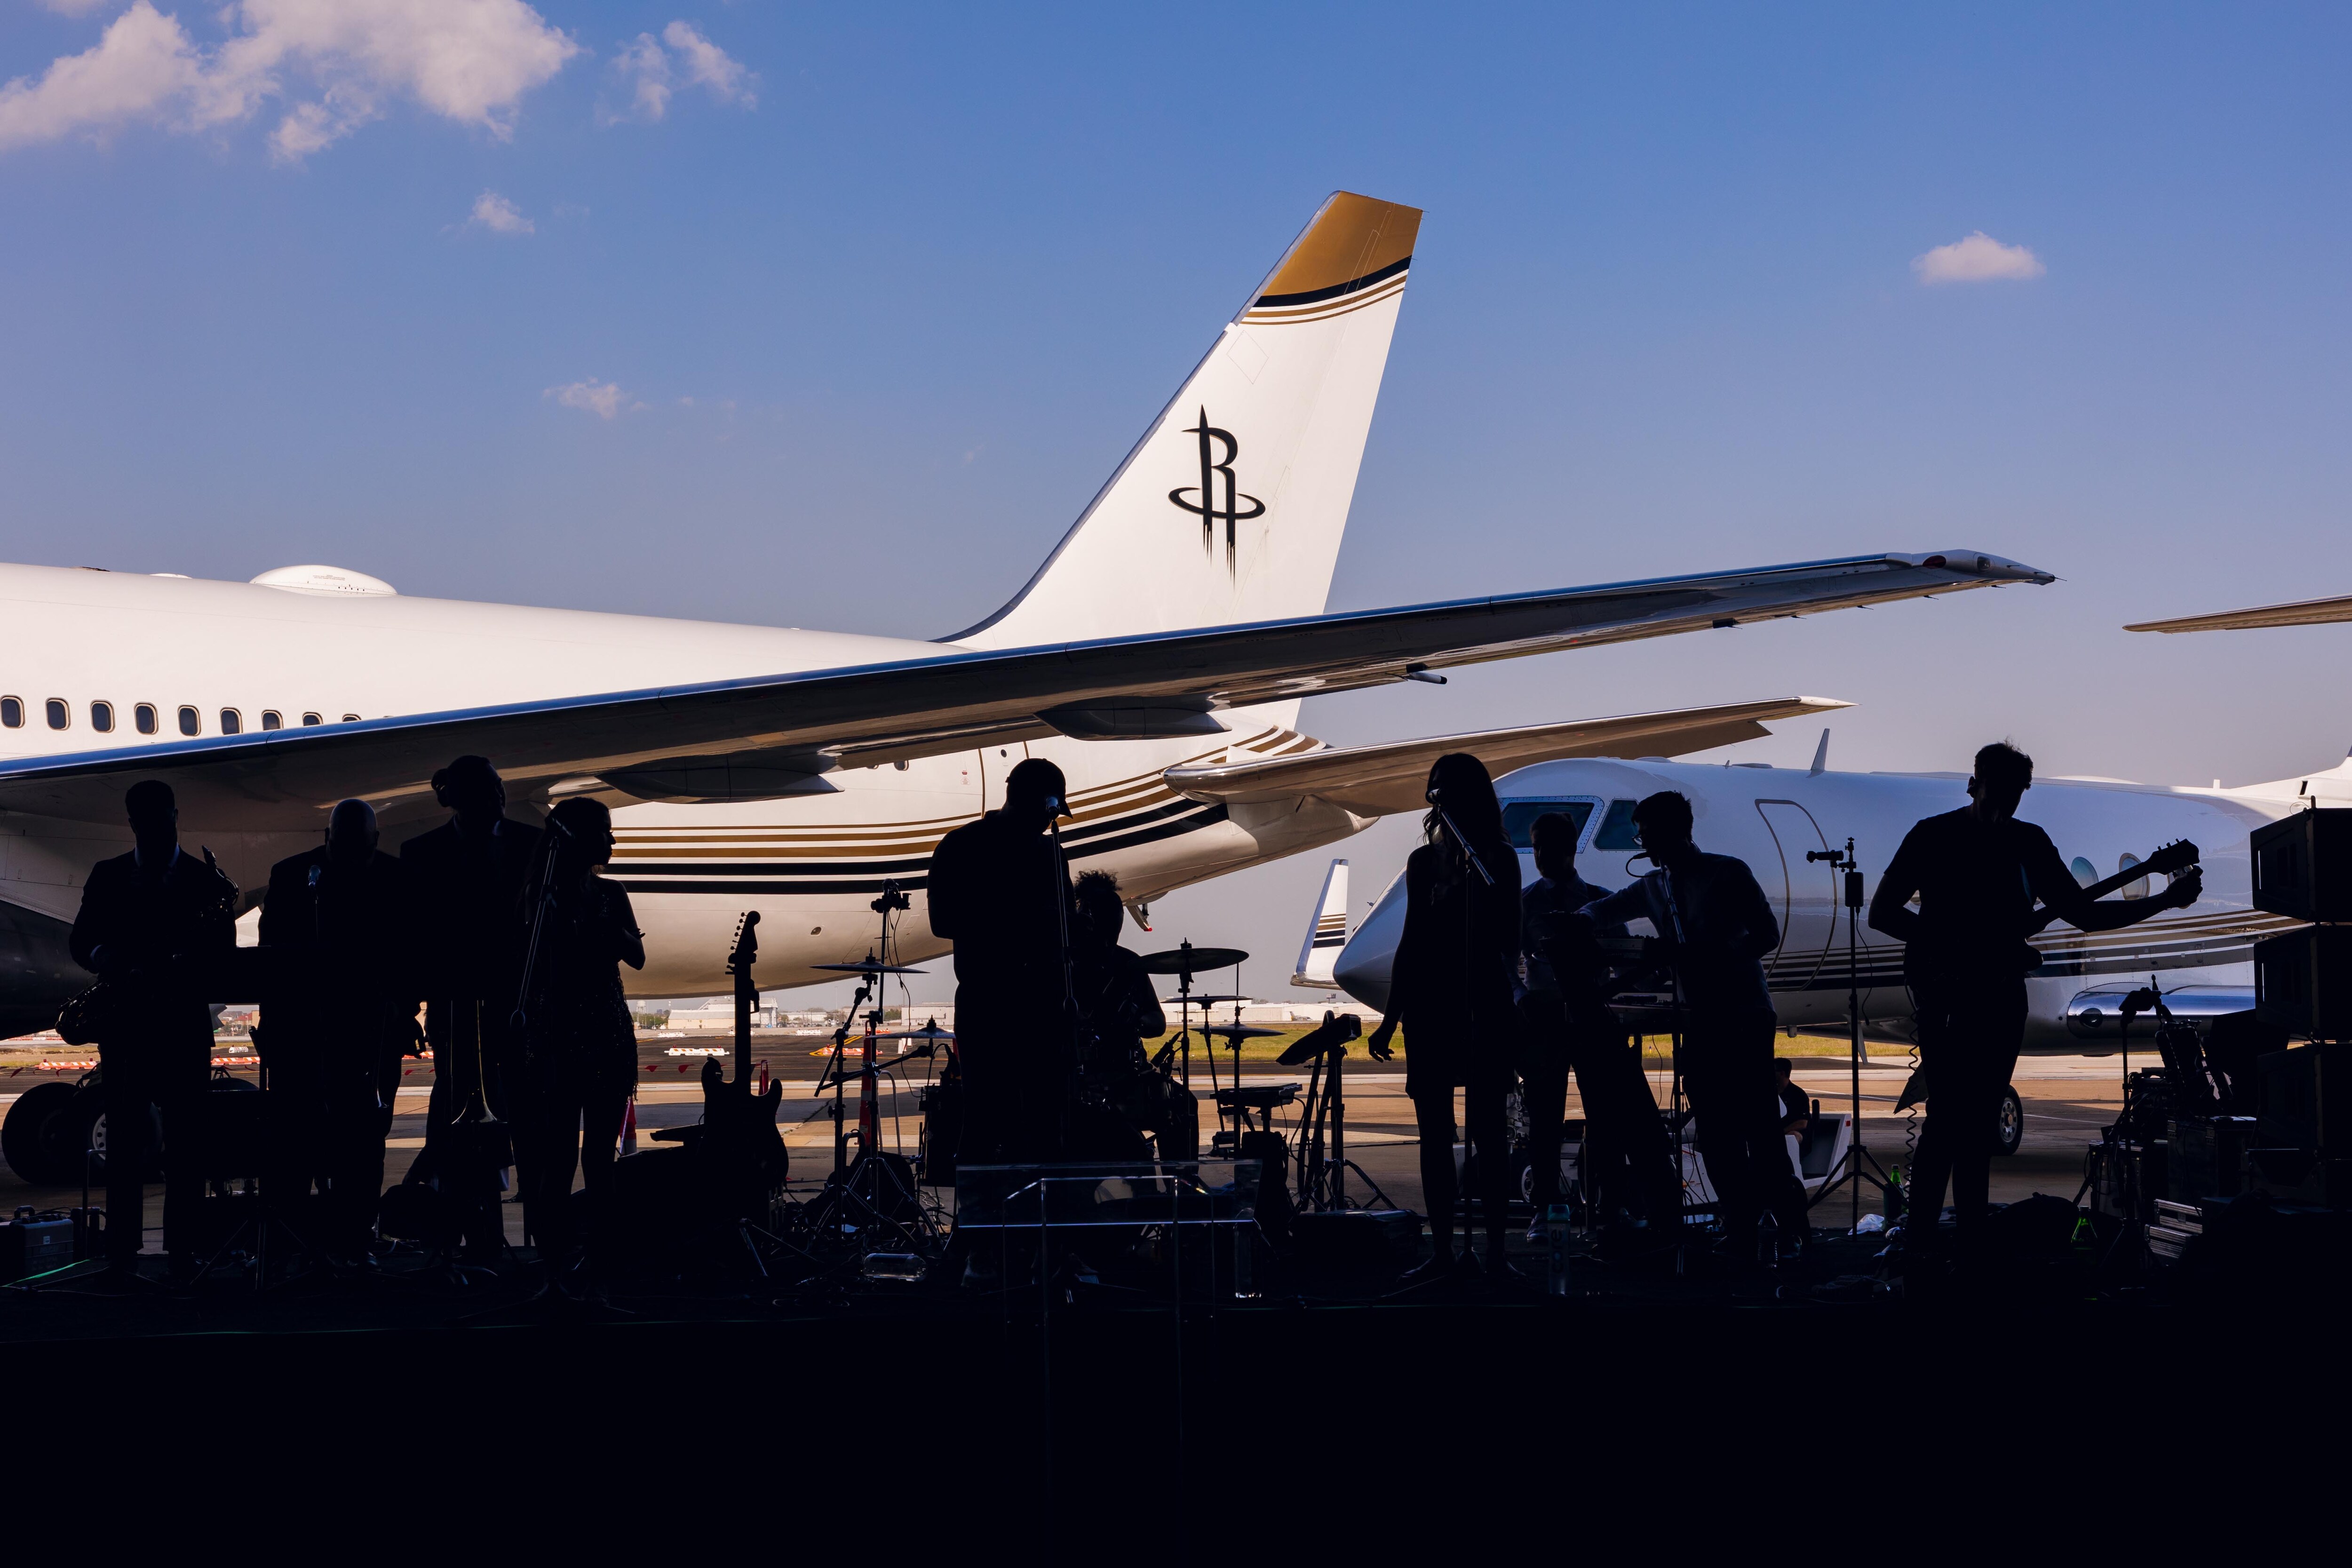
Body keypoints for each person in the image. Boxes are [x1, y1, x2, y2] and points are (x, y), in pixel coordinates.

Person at [1869, 741, 2199, 1249]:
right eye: (2002, 790)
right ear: (1976, 781)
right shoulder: (1935, 835)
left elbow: (2084, 915)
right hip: (1952, 995)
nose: (2008, 803)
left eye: (2016, 793)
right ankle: (1932, 1248)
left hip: (1993, 994)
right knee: (1948, 1123)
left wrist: (2161, 901)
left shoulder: (2017, 841)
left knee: (1969, 1124)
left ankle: (1958, 1246)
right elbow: (1882, 913)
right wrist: (1949, 947)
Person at [1580, 790, 1806, 1261]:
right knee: (1717, 1134)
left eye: (1645, 835)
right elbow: (1604, 910)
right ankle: (1744, 1232)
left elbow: (1766, 934)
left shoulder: (1727, 873)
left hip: (1742, 1015)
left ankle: (1790, 1230)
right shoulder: (1654, 885)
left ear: (1672, 832)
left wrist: (1707, 956)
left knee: (1758, 1131)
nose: (1641, 843)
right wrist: (1574, 919)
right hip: (1702, 1021)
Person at [69, 780, 239, 1283]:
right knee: (125, 1149)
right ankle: (124, 1259)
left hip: (179, 1027)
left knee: (186, 1151)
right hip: (129, 1025)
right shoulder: (109, 876)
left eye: (160, 818)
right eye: (145, 820)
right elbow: (81, 941)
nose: (155, 828)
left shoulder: (205, 882)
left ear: (174, 816)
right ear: (133, 822)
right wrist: (106, 958)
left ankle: (180, 1256)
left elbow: (223, 963)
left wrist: (185, 966)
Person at [1367, 753, 1524, 1285]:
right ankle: (1440, 1251)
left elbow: (1511, 937)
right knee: (1434, 1132)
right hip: (1430, 1010)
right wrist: (1390, 1019)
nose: (1437, 799)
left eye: (1445, 790)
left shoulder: (1499, 859)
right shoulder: (1420, 863)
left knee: (1490, 1131)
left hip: (1484, 1004)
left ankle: (1497, 1253)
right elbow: (1410, 943)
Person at [398, 755, 542, 1257]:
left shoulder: (531, 844)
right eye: (488, 794)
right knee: (460, 1122)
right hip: (456, 1009)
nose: (499, 802)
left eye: (500, 793)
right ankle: (468, 1229)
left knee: (521, 1119)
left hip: (515, 1008)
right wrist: (409, 1009)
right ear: (456, 800)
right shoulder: (420, 853)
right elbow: (412, 938)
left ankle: (522, 1237)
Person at [259, 798, 414, 1261]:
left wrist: (402, 1014)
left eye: (359, 850)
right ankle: (295, 1241)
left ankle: (357, 1235)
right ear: (327, 840)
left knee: (367, 1143)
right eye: (341, 848)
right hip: (305, 1033)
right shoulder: (295, 876)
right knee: (297, 1142)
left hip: (372, 1032)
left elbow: (411, 956)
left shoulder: (395, 877)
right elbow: (273, 956)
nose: (350, 858)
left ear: (375, 842)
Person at [1517, 811, 1679, 1240]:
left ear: (1570, 850)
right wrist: (1522, 999)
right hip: (1546, 1015)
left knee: (1604, 1117)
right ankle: (1548, 1206)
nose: (1540, 857)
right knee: (1545, 1119)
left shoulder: (1598, 901)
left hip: (1591, 1014)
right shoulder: (1525, 902)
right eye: (1536, 849)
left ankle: (1608, 1205)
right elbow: (1505, 961)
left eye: (1548, 849)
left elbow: (1622, 956)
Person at [510, 798, 644, 1275]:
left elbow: (637, 956)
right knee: (560, 1156)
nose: (612, 841)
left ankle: (602, 1258)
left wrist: (608, 930)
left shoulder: (611, 894)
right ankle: (556, 1257)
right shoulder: (541, 896)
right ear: (576, 839)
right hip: (560, 1035)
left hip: (605, 1031)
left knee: (599, 1157)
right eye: (604, 832)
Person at [927, 758, 1078, 1166]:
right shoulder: (965, 845)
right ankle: (988, 1225)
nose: (1051, 822)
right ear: (1042, 803)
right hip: (992, 1004)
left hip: (1034, 1005)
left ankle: (1007, 1222)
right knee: (988, 1120)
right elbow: (943, 922)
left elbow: (1069, 927)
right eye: (1051, 810)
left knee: (1035, 1126)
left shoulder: (1043, 852)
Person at [1069, 869, 1175, 1157]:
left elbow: (1158, 1021)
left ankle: (1182, 1186)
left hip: (1128, 1073)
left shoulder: (1129, 963)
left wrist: (1137, 1024)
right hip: (1082, 1078)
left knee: (1183, 1108)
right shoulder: (1066, 965)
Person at [1774, 1057, 1811, 1186]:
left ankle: (1792, 1173)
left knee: (1792, 1137)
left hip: (1796, 1133)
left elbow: (1803, 1123)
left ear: (1782, 1074)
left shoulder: (1798, 1095)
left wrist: (1781, 1132)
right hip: (1775, 1132)